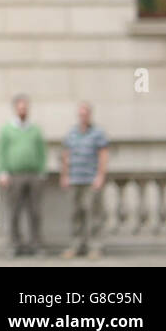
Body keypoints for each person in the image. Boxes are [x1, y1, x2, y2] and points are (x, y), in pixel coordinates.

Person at [0, 93, 47, 257]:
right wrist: (2, 171)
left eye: (25, 107)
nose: (23, 110)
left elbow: (42, 152)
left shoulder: (35, 129)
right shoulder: (7, 129)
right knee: (14, 212)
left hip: (33, 175)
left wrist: (41, 171)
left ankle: (36, 244)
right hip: (14, 176)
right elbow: (0, 152)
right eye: (20, 108)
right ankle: (14, 244)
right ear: (15, 109)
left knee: (35, 212)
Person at [60, 101, 109, 260]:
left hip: (91, 180)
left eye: (85, 114)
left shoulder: (98, 133)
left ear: (90, 115)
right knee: (76, 215)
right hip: (74, 180)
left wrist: (100, 176)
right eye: (80, 114)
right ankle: (76, 246)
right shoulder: (71, 133)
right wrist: (65, 176)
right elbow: (66, 156)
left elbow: (103, 155)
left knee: (94, 215)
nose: (83, 117)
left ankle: (95, 247)